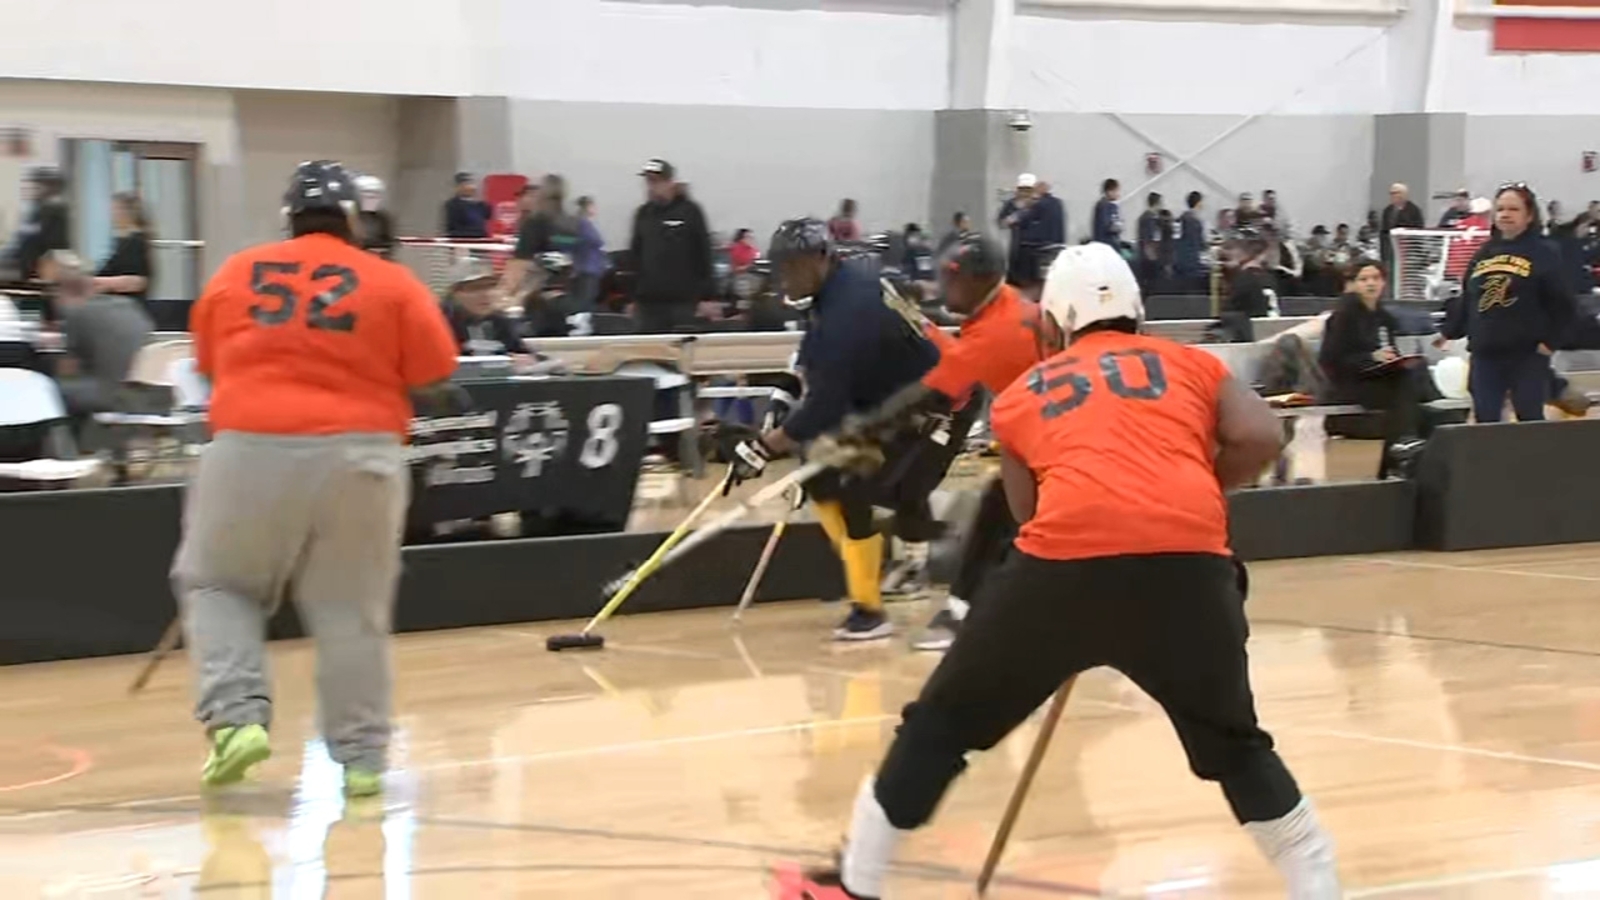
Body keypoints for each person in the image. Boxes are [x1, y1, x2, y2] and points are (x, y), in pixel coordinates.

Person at [785, 241, 1340, 900]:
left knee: (940, 726)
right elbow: (1262, 437)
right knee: (1238, 747)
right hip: (1187, 569)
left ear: (1052, 323)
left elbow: (1028, 513)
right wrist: (1196, 486)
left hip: (1061, 570)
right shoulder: (1191, 363)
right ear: (1137, 310)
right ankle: (1318, 886)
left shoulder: (1025, 395)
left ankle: (858, 882)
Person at [176, 160, 460, 797]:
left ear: (287, 218)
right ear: (356, 222)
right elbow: (435, 366)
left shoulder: (234, 272)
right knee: (350, 614)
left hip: (250, 446)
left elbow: (208, 361)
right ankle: (361, 760)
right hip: (362, 456)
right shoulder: (390, 282)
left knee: (220, 585)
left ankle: (236, 720)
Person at [723, 218, 939, 641]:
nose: (784, 277)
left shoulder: (849, 309)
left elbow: (825, 406)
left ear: (821, 259)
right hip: (887, 400)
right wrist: (785, 394)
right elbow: (812, 356)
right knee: (824, 476)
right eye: (780, 267)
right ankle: (869, 582)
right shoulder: (833, 291)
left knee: (849, 475)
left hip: (939, 405)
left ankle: (873, 602)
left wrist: (765, 448)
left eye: (792, 266)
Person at [887, 233, 1042, 651]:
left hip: (1064, 447)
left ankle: (965, 612)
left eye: (952, 279)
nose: (944, 286)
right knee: (1000, 506)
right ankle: (965, 608)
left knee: (1005, 510)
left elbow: (932, 391)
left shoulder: (995, 333)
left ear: (981, 280)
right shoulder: (1004, 306)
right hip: (1040, 444)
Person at [1441, 182, 1575, 423]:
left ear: (1529, 215)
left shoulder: (1545, 251)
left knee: (1529, 418)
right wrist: (1449, 332)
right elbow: (1468, 297)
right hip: (1485, 354)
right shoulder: (1484, 252)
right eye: (1500, 209)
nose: (1505, 214)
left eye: (1513, 209)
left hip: (1526, 354)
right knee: (1486, 419)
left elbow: (1564, 304)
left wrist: (1550, 343)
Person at [1318, 259, 1437, 478]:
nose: (1370, 284)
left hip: (1378, 378)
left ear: (1383, 282)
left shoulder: (1385, 317)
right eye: (1363, 279)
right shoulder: (1342, 317)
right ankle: (1403, 445)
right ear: (1353, 284)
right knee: (1407, 387)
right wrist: (1370, 358)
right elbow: (1330, 361)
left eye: (1375, 278)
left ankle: (1409, 449)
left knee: (1414, 373)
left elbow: (1387, 351)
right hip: (1350, 385)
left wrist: (1391, 360)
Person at [51, 253, 153, 426]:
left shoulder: (77, 313)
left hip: (111, 393)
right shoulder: (130, 306)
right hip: (146, 391)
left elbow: (68, 367)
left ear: (64, 294)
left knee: (51, 390)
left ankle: (67, 446)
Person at [630, 158, 713, 333]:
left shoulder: (690, 211)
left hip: (682, 301)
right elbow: (636, 255)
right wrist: (632, 296)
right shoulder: (643, 214)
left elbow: (703, 253)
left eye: (656, 181)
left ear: (669, 182)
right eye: (648, 181)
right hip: (649, 302)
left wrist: (707, 296)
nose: (651, 187)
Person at [503, 174, 582, 331]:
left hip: (539, 296)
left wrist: (506, 296)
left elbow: (520, 264)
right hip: (568, 294)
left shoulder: (535, 222)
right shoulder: (573, 223)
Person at [443, 258, 527, 360]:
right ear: (455, 293)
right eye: (474, 288)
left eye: (491, 286)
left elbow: (520, 352)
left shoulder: (500, 322)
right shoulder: (441, 323)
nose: (485, 294)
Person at [10, 166, 71, 281]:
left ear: (52, 187)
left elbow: (55, 246)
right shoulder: (36, 210)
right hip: (26, 271)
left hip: (41, 274)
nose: (31, 189)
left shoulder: (54, 211)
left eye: (36, 185)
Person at [94, 193, 154, 307]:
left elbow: (138, 281)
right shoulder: (123, 241)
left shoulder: (135, 242)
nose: (112, 216)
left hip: (128, 306)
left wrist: (100, 283)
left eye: (115, 210)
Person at [572, 196, 608, 313]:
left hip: (588, 268)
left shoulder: (583, 223)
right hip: (587, 269)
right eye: (592, 206)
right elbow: (595, 240)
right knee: (587, 303)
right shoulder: (584, 224)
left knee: (588, 300)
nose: (595, 209)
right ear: (587, 207)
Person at [1379, 183, 1424, 272]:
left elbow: (1418, 232)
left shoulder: (1414, 210)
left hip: (1407, 252)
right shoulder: (1387, 210)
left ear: (1404, 194)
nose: (1393, 196)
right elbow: (1384, 232)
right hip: (1389, 251)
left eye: (1396, 193)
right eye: (1391, 193)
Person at [354, 175, 396, 259]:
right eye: (367, 193)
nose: (371, 197)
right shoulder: (342, 216)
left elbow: (387, 242)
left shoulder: (383, 219)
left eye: (376, 194)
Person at [442, 172, 491, 239]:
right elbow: (453, 228)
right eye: (466, 184)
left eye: (472, 184)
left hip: (481, 242)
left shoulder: (480, 204)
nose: (471, 187)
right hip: (463, 241)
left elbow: (487, 217)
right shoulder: (453, 204)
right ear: (458, 187)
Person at [1175, 191, 1208, 288]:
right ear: (1198, 203)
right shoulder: (1195, 221)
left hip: (1180, 259)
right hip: (1192, 260)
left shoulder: (1180, 218)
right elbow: (1199, 242)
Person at [1136, 192, 1169, 288]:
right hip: (1149, 258)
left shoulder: (1145, 218)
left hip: (1146, 256)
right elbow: (1148, 240)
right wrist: (1153, 257)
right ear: (1157, 204)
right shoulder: (1149, 219)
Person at [1092, 178, 1123, 247]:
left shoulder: (1103, 205)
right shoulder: (1105, 206)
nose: (1118, 194)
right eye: (1117, 191)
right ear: (1110, 191)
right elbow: (1108, 225)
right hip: (1107, 245)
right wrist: (1119, 226)